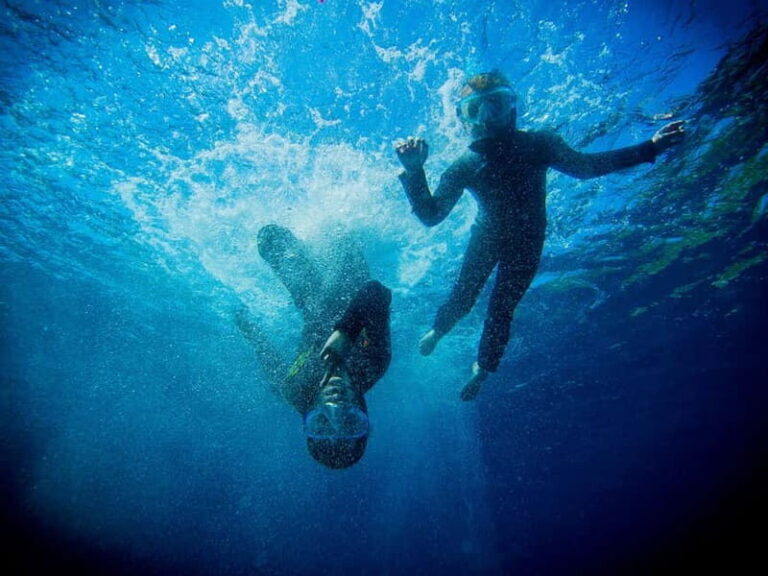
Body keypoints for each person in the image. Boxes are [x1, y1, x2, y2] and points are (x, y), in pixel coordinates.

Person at [394, 70, 685, 401]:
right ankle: (439, 330)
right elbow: (432, 216)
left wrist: (650, 147)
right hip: (495, 237)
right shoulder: (467, 163)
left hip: (523, 242)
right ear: (463, 119)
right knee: (465, 295)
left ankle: (482, 368)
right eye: (475, 108)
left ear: (512, 106)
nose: (487, 116)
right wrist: (414, 171)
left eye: (495, 104)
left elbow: (586, 167)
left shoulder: (538, 144)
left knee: (501, 308)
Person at [236, 224, 391, 468]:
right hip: (352, 285)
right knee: (340, 232)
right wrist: (345, 332)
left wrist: (251, 332)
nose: (335, 407)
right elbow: (375, 292)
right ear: (364, 416)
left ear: (308, 420)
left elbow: (271, 362)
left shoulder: (295, 390)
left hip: (311, 305)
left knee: (271, 239)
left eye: (322, 423)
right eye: (350, 422)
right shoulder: (372, 365)